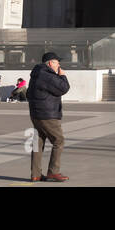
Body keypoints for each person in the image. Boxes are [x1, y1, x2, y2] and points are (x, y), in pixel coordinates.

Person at [28, 52, 70, 182]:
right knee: (59, 140)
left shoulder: (36, 74)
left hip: (36, 113)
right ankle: (53, 171)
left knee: (37, 143)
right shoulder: (47, 75)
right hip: (48, 114)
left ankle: (35, 174)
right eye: (57, 63)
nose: (59, 65)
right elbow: (63, 88)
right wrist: (62, 75)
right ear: (51, 63)